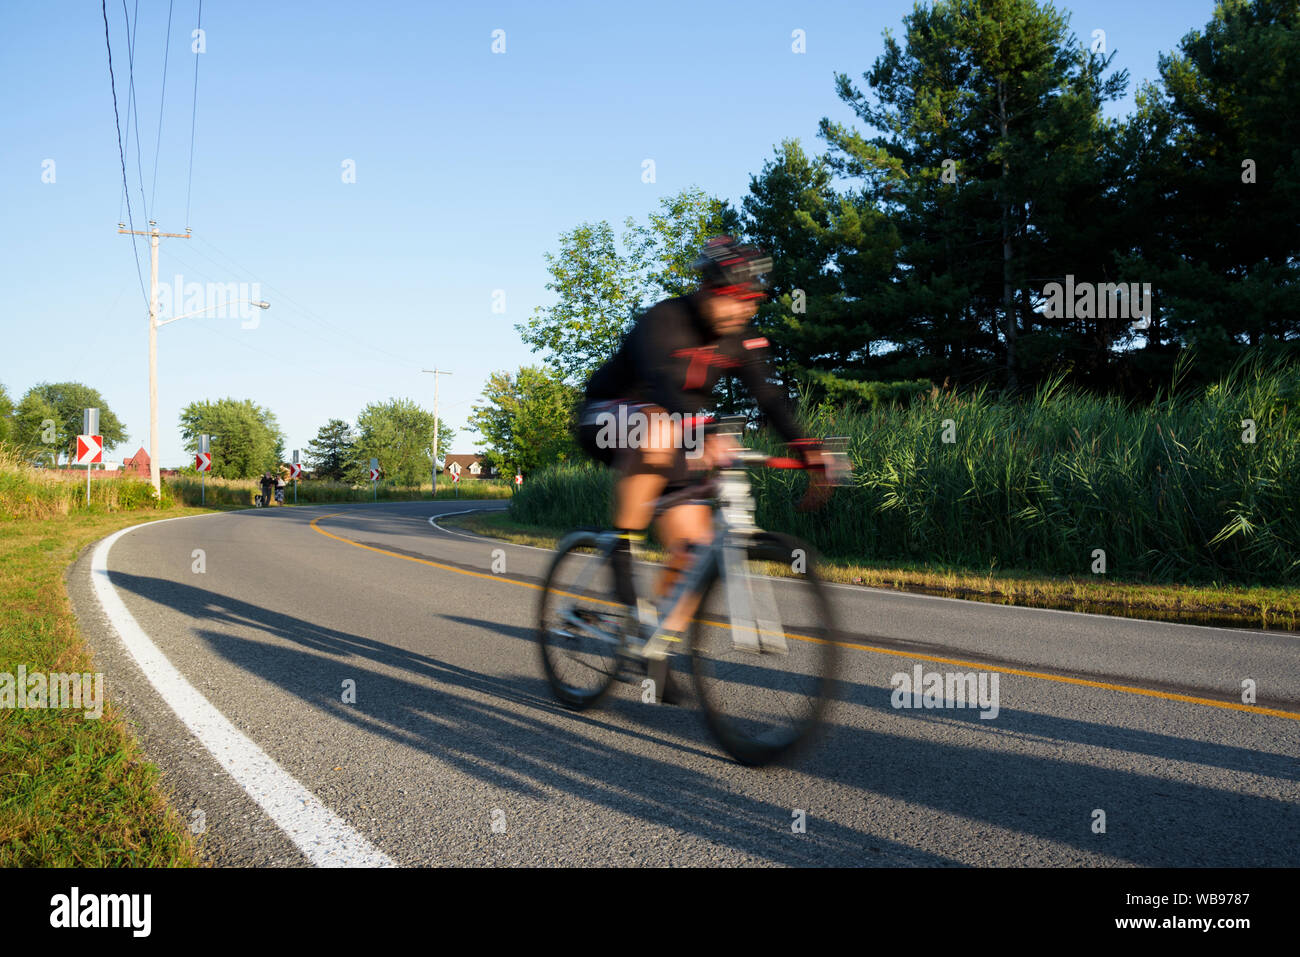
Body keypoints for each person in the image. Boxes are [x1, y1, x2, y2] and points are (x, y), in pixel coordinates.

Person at [575, 236, 833, 702]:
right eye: (732, 301)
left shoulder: (743, 339)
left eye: (750, 303)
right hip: (609, 415)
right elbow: (659, 384)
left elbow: (769, 397)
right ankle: (622, 555)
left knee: (694, 550)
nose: (741, 313)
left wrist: (806, 447)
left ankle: (654, 646)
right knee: (654, 426)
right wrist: (704, 432)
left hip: (679, 432)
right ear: (706, 287)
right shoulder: (665, 319)